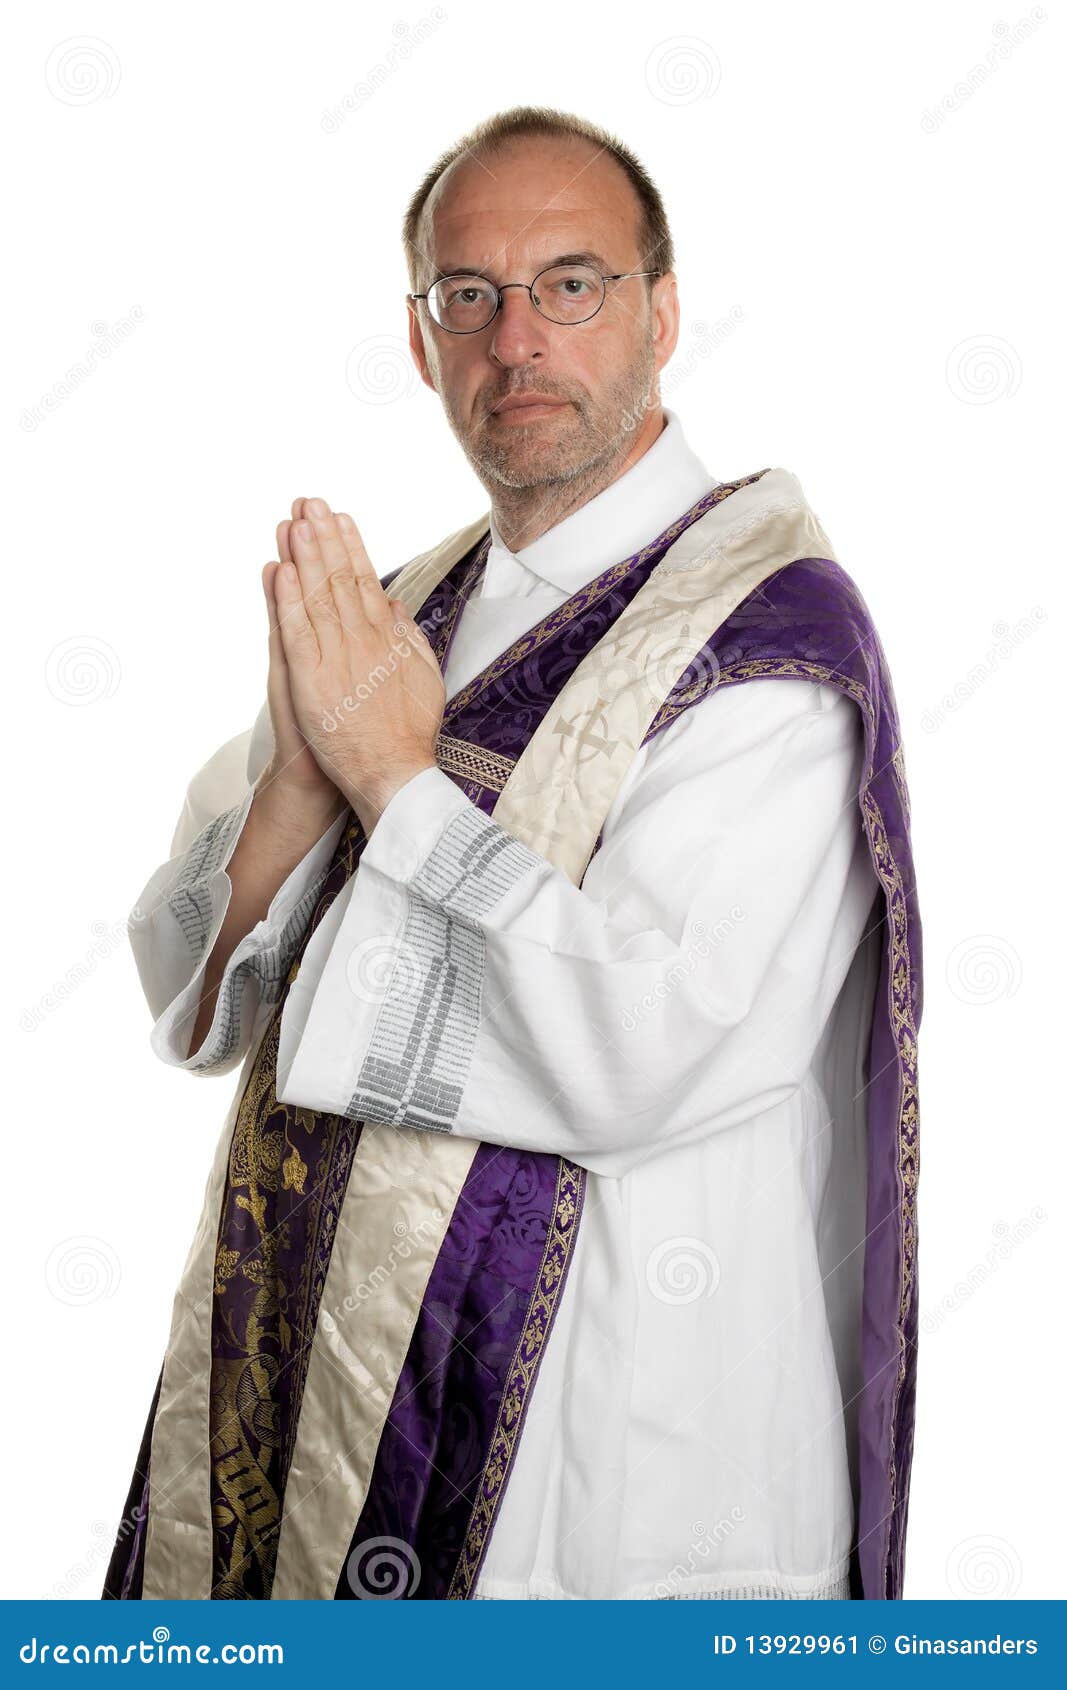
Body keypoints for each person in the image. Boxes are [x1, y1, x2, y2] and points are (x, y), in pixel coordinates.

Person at [104, 105, 922, 1603]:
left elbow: (645, 1048)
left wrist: (397, 786)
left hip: (597, 1459)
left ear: (664, 313)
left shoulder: (767, 652)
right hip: (312, 1397)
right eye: (466, 295)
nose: (515, 338)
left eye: (571, 282)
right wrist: (298, 784)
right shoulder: (400, 605)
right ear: (420, 341)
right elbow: (204, 1003)